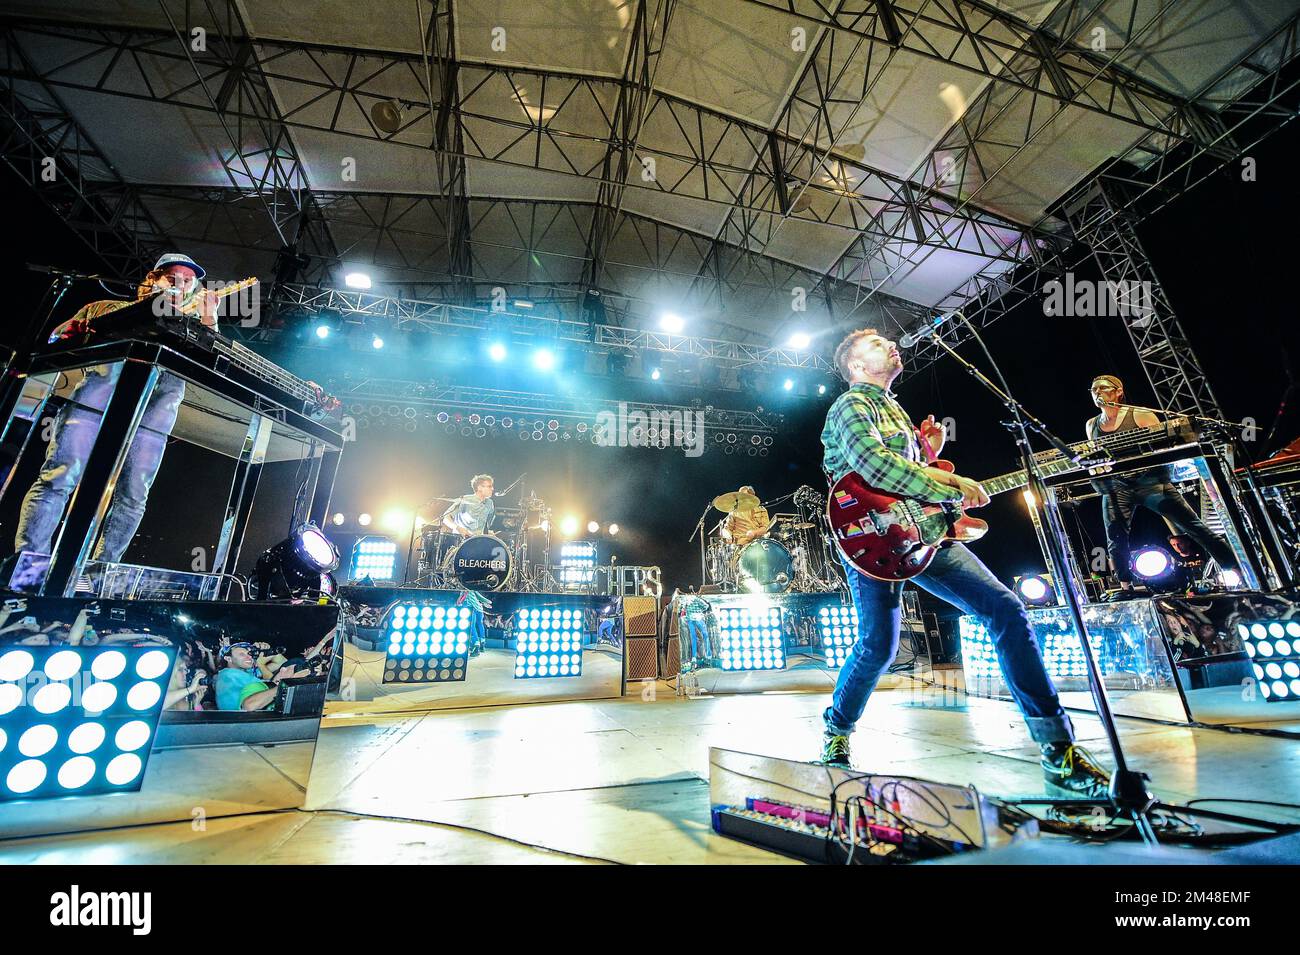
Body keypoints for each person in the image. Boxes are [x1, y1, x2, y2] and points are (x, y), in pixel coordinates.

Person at [818, 328, 1110, 797]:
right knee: (878, 648)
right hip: (870, 541)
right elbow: (873, 469)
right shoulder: (853, 404)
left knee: (1004, 608)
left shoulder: (895, 409)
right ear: (855, 366)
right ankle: (836, 729)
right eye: (876, 345)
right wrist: (948, 482)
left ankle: (1057, 749)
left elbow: (905, 484)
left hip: (924, 534)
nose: (892, 345)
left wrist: (929, 452)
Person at [13, 253, 218, 565]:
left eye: (188, 281)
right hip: (93, 406)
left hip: (152, 420)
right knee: (58, 478)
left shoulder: (193, 326)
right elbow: (56, 337)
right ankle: (28, 568)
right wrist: (73, 333)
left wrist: (210, 317)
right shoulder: (105, 307)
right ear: (153, 279)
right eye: (173, 278)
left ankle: (98, 574)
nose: (181, 284)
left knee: (134, 496)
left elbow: (215, 362)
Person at [1085, 375, 1239, 591]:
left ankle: (1237, 569)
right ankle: (1126, 588)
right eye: (1093, 389)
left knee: (1193, 526)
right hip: (1118, 486)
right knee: (1115, 537)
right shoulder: (1092, 425)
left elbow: (1166, 449)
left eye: (1103, 388)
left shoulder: (1140, 415)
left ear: (1119, 391)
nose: (1097, 392)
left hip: (1151, 483)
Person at [215, 642, 304, 712]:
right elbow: (272, 683)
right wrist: (261, 664)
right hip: (237, 724)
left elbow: (282, 663)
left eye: (249, 653)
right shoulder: (228, 675)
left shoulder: (245, 672)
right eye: (242, 654)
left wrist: (266, 651)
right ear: (228, 659)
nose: (249, 657)